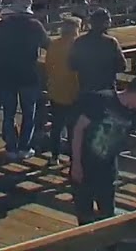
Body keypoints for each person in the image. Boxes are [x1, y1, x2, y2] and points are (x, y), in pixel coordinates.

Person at [70, 76, 136, 225]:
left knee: (107, 216)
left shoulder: (134, 114)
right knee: (84, 217)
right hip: (85, 166)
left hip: (107, 171)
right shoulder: (102, 99)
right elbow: (79, 130)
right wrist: (76, 164)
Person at [0, 0, 50, 160]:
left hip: (7, 73)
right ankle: (24, 146)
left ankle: (11, 146)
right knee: (28, 112)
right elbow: (48, 45)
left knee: (8, 112)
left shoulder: (3, 25)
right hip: (29, 73)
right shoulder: (35, 26)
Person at [45, 15, 82, 165]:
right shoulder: (79, 46)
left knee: (57, 126)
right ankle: (74, 158)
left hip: (57, 89)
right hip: (75, 90)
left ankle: (55, 156)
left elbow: (48, 66)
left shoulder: (55, 44)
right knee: (74, 128)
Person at [69, 8, 126, 93]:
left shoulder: (79, 41)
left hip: (86, 88)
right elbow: (122, 66)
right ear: (106, 23)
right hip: (107, 88)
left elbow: (72, 65)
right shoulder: (111, 42)